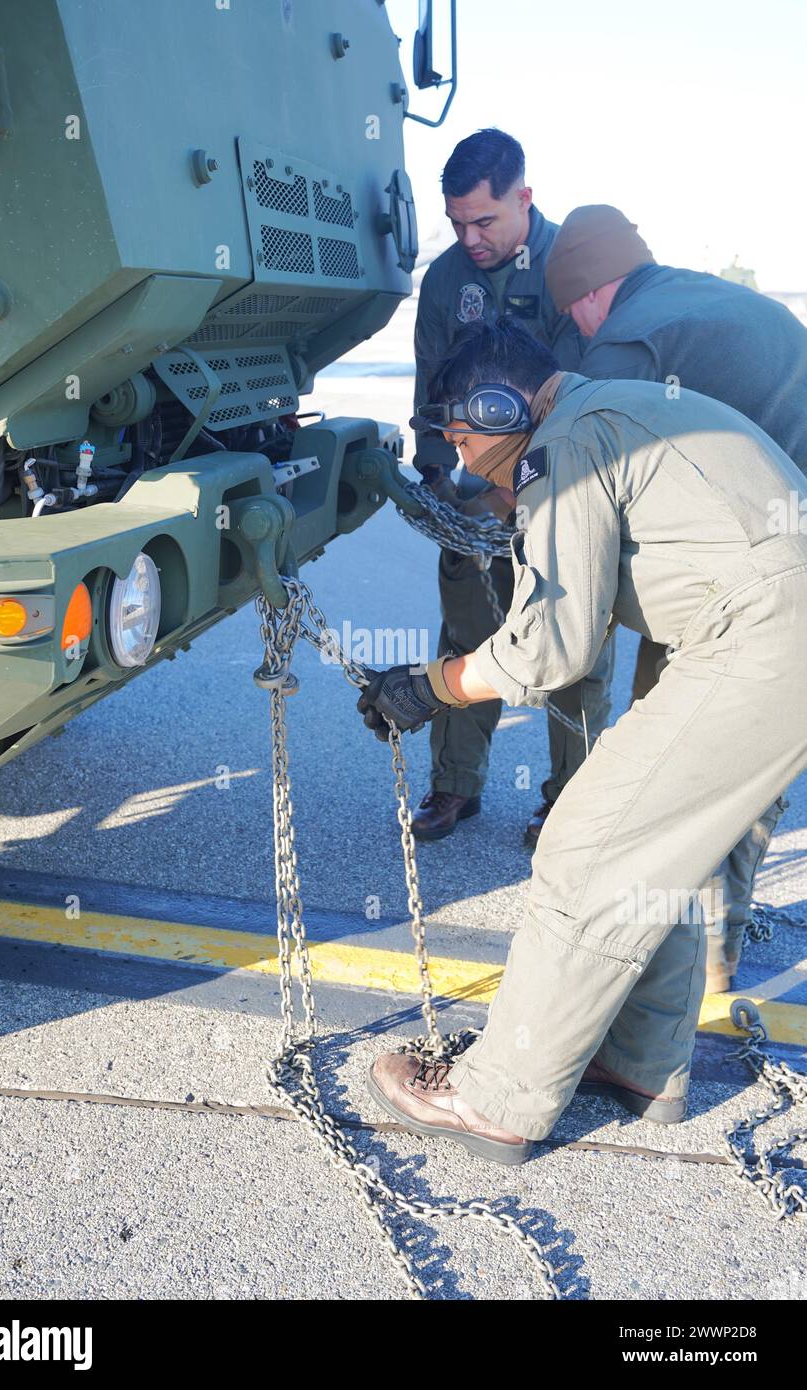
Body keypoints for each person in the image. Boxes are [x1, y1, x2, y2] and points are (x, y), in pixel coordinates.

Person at [357, 317, 807, 1164]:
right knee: (656, 847)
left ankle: (496, 1099)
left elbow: (550, 649)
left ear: (497, 408)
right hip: (769, 632)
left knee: (588, 846)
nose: (460, 463)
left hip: (761, 637)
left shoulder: (563, 444)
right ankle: (637, 1060)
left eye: (460, 439)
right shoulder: (608, 414)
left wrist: (429, 686)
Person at [531, 203, 807, 989]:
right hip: (780, 538)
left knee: (683, 752)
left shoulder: (622, 341)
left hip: (762, 567)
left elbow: (591, 476)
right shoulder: (696, 298)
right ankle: (721, 940)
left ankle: (683, 953)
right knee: (762, 753)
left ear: (585, 295)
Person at [410, 129, 614, 843]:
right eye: (458, 221)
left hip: (568, 488)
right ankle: (454, 788)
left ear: (524, 198)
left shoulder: (569, 269)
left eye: (485, 220)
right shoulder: (445, 282)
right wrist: (436, 479)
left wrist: (512, 495)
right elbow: (432, 391)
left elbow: (584, 401)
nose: (470, 236)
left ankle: (570, 801)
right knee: (467, 631)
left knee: (573, 644)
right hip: (479, 485)